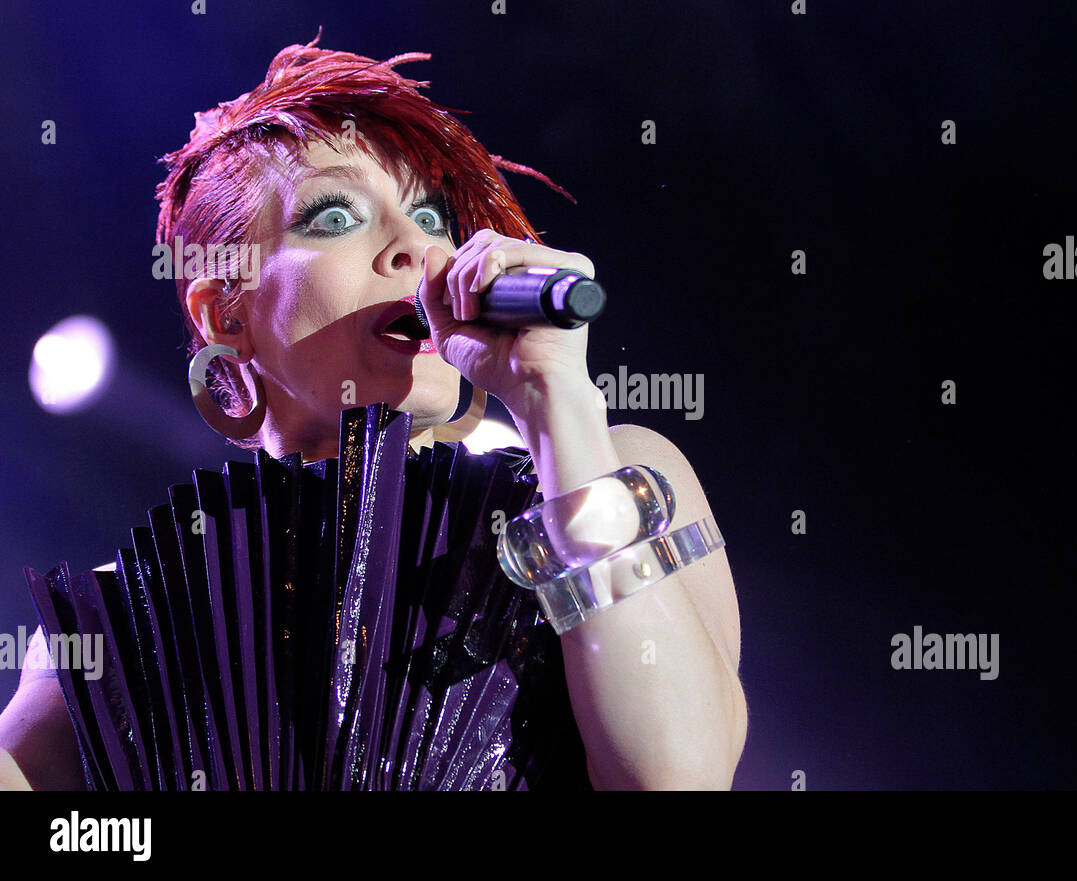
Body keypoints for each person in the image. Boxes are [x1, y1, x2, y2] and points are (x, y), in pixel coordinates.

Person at [0, 30, 745, 790]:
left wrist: (559, 406)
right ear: (227, 315)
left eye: (430, 217)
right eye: (333, 217)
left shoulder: (619, 475)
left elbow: (679, 777)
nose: (417, 250)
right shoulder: (118, 622)